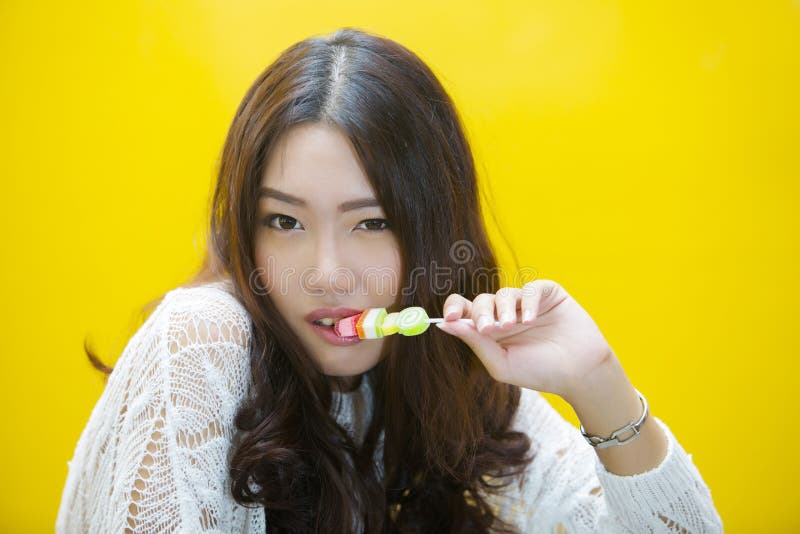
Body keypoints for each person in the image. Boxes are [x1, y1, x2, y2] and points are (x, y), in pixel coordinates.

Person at [56, 27, 723, 533]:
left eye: (372, 223)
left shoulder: (450, 378)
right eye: (285, 221)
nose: (327, 275)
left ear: (431, 230)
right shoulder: (201, 341)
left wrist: (598, 384)